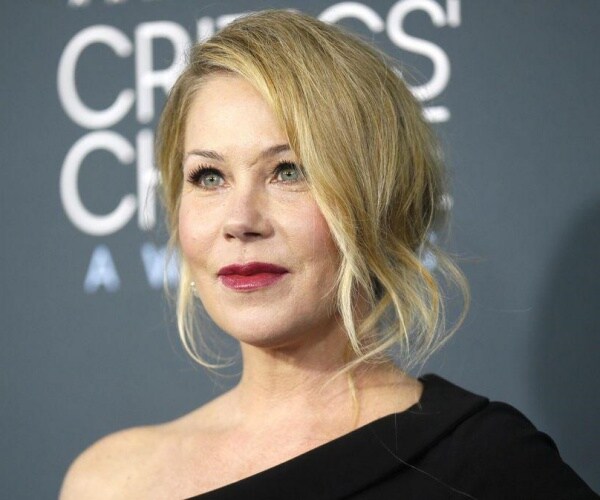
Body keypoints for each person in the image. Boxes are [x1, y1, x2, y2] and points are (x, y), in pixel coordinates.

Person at [60, 10, 598, 500]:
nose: (240, 220)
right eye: (209, 177)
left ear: (377, 198)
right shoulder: (108, 481)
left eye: (288, 171)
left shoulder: (486, 466)